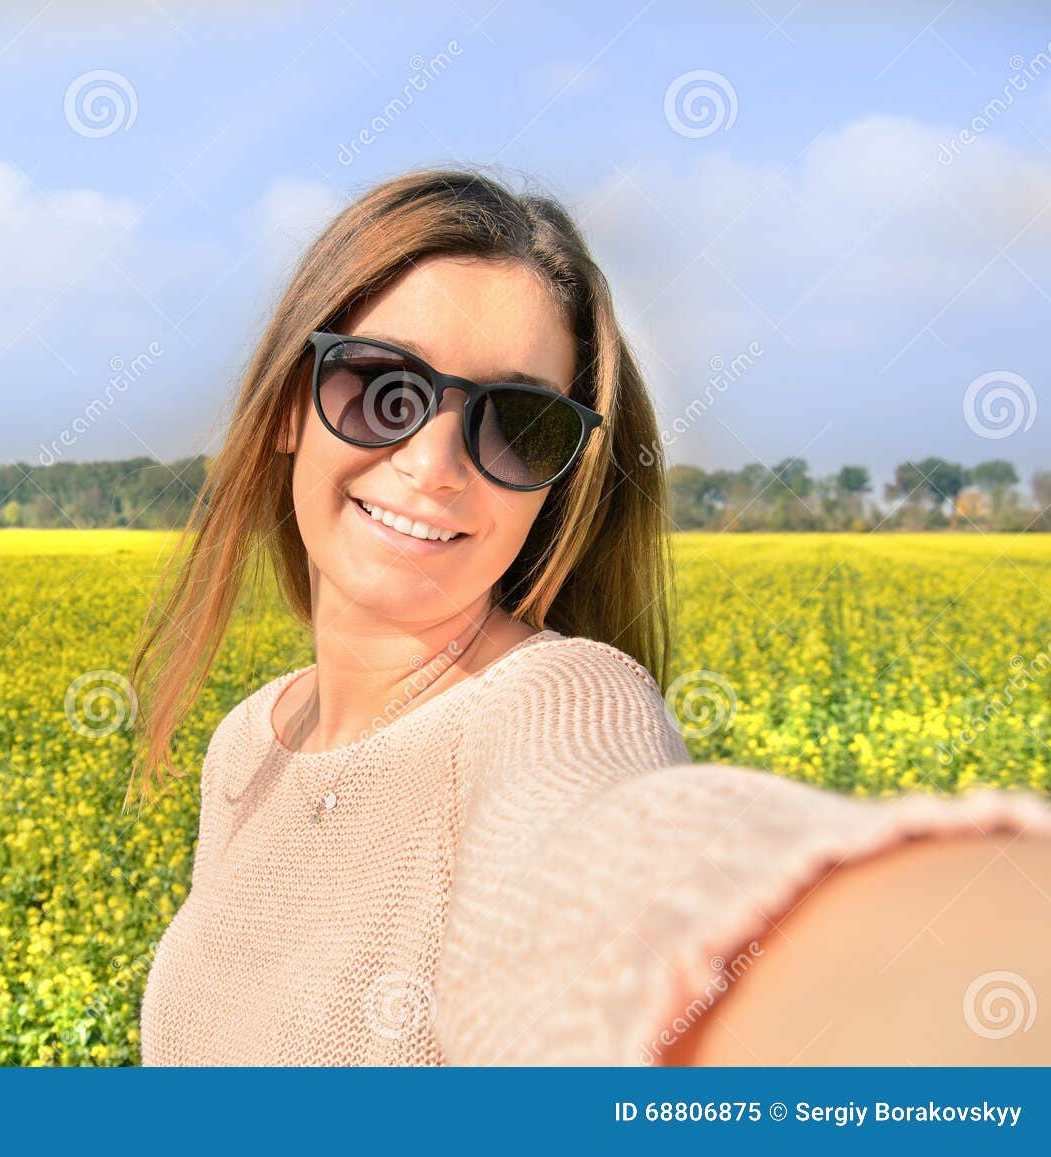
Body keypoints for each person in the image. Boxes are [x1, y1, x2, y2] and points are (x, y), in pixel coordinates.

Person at [124, 166, 1051, 1066]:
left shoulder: (554, 702)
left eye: (519, 423)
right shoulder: (249, 742)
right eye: (380, 387)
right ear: (291, 401)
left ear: (556, 487)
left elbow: (611, 880)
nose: (436, 462)